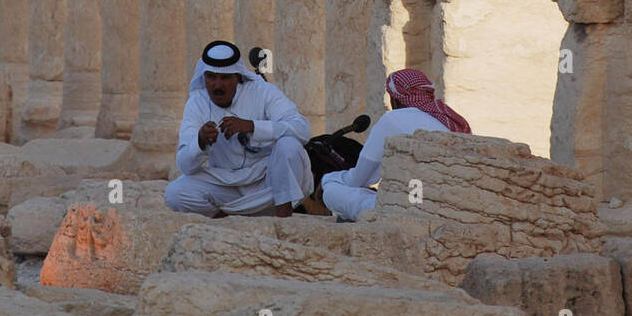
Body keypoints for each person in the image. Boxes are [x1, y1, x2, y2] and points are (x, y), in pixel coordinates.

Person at [165, 40, 312, 218]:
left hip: (267, 181)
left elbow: (302, 129)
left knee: (289, 145)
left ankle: (283, 219)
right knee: (175, 193)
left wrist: (252, 126)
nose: (218, 85)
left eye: (225, 78)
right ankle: (227, 221)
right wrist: (200, 142)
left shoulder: (262, 91)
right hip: (226, 184)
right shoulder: (197, 103)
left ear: (238, 76)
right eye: (211, 77)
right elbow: (184, 166)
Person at [321, 68, 471, 221]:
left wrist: (331, 179)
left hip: (413, 207)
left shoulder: (393, 119)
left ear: (395, 99)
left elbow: (361, 179)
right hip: (450, 206)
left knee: (332, 191)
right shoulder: (447, 121)